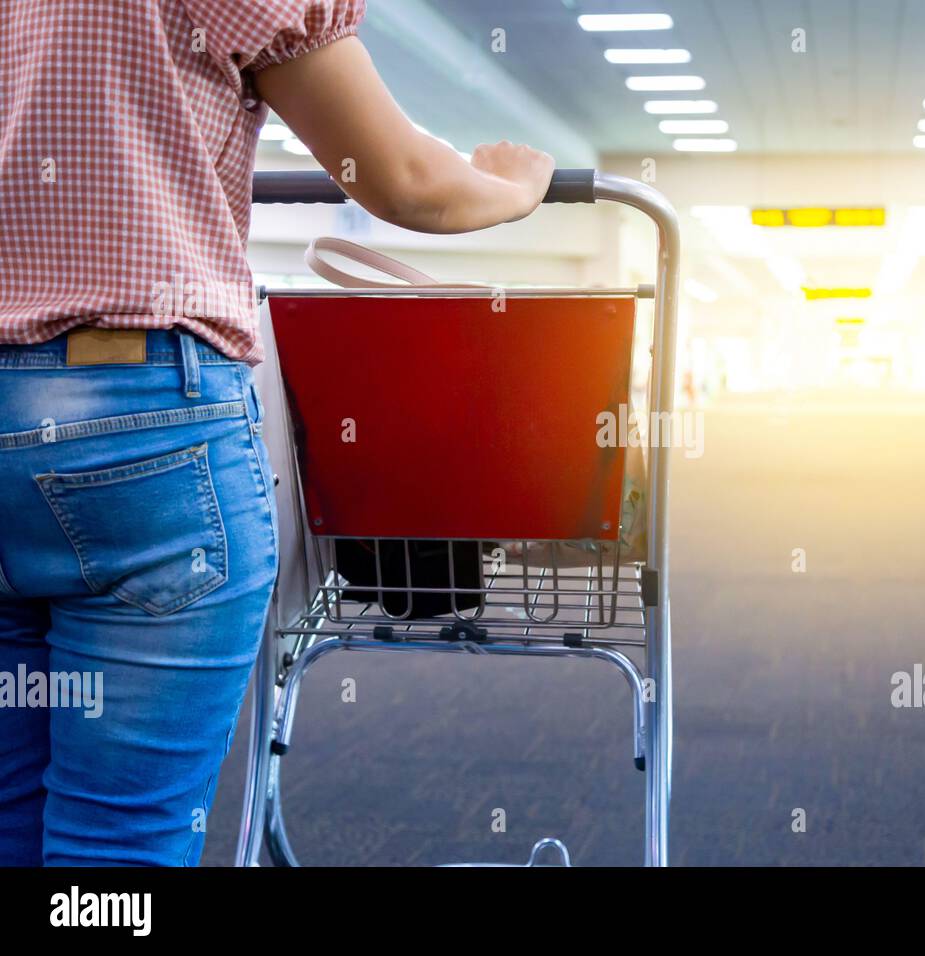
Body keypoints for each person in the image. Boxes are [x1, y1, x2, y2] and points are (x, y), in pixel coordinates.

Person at [0, 0, 554, 866]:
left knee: (10, 820)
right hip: (144, 439)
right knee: (120, 845)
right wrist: (518, 187)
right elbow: (404, 177)